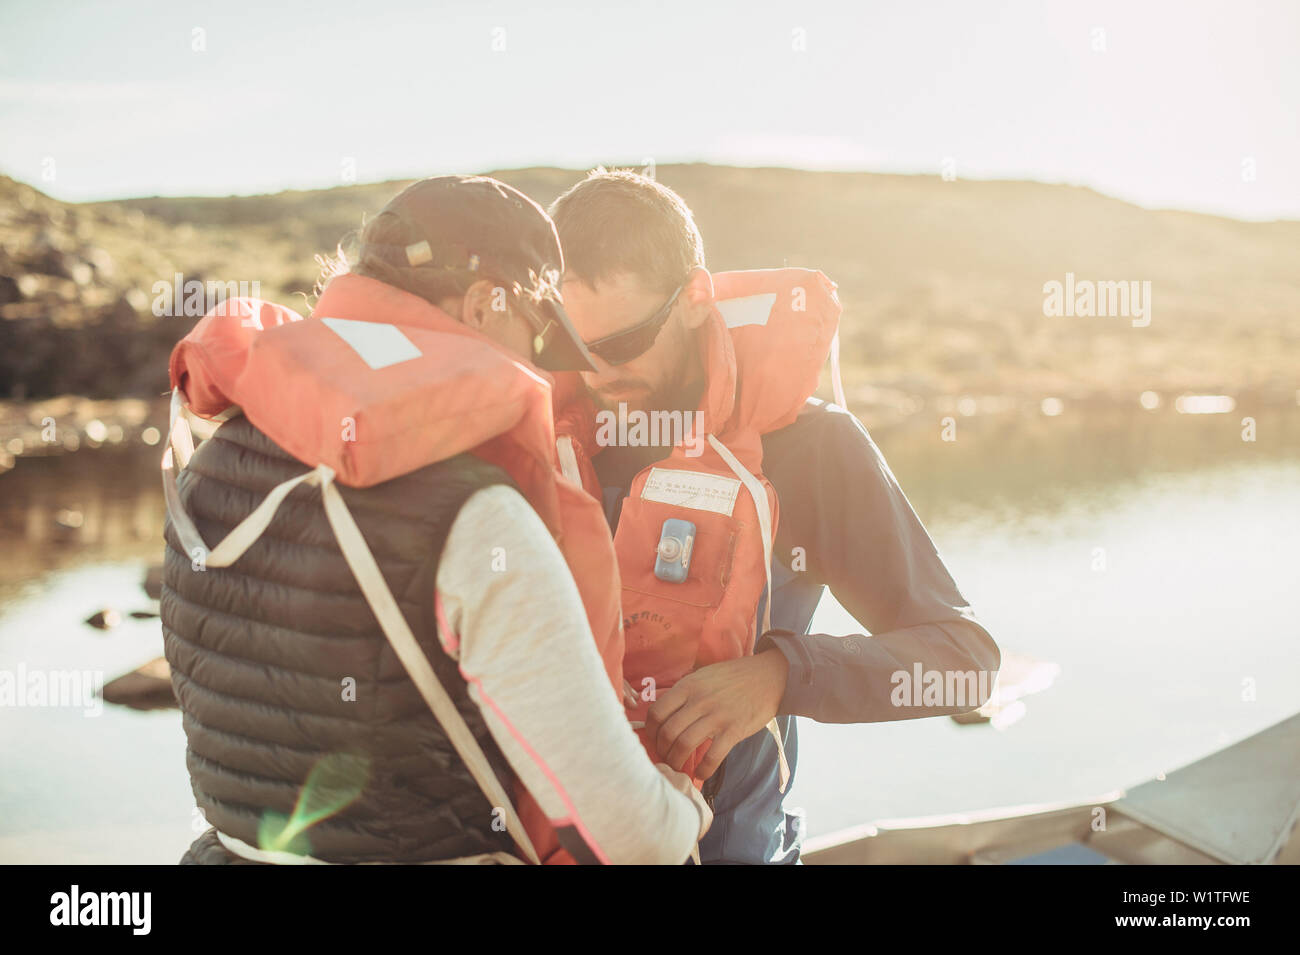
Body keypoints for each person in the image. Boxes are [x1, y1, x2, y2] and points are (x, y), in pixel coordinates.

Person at [162, 175, 710, 865]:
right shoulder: (476, 519)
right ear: (486, 304)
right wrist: (683, 808)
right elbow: (630, 837)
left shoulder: (211, 462)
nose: (537, 366)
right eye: (537, 335)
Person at [548, 168, 1001, 864]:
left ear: (695, 297)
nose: (600, 376)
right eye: (575, 350)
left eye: (623, 342)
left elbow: (965, 663)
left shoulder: (811, 448)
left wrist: (781, 675)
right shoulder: (544, 438)